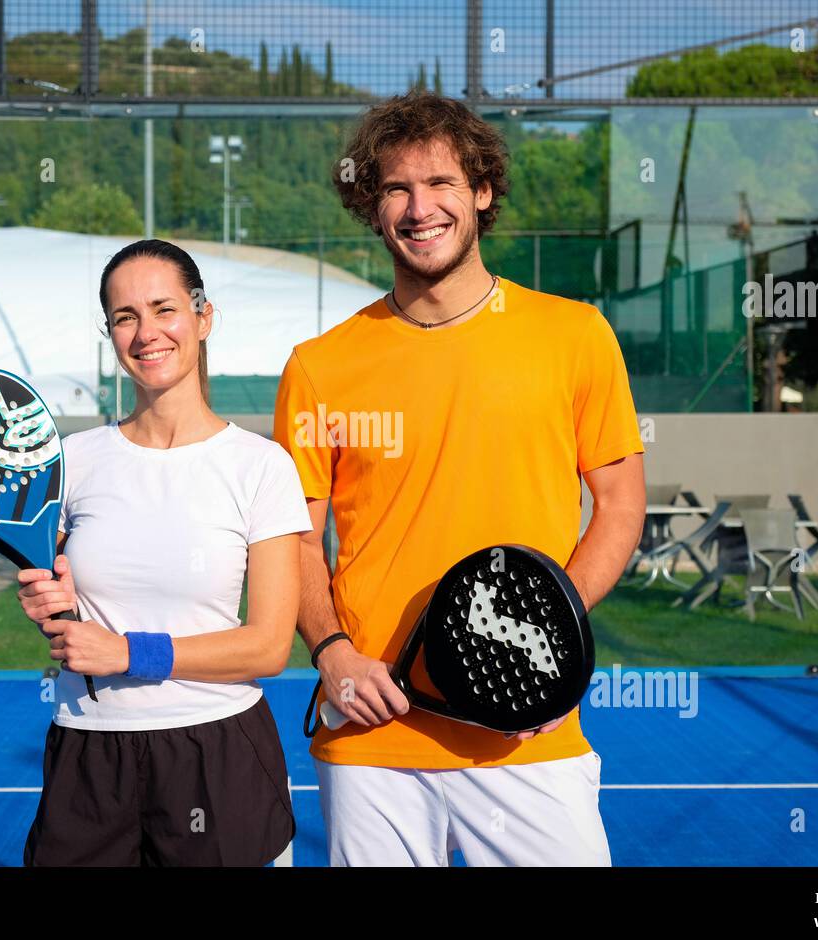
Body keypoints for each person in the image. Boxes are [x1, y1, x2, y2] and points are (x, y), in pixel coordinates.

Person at [274, 92, 647, 866]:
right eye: (396, 189)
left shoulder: (574, 335)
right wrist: (333, 654)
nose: (420, 208)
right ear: (372, 208)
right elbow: (295, 542)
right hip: (373, 735)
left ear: (481, 191)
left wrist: (547, 649)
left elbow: (618, 505)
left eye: (441, 183)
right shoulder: (319, 367)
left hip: (526, 737)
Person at [17, 239, 312, 866]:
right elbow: (60, 594)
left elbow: (268, 647)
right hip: (89, 753)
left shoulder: (261, 467)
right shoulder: (73, 460)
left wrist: (129, 652)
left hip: (219, 754)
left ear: (204, 317)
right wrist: (46, 604)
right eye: (126, 317)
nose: (146, 332)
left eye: (164, 309)